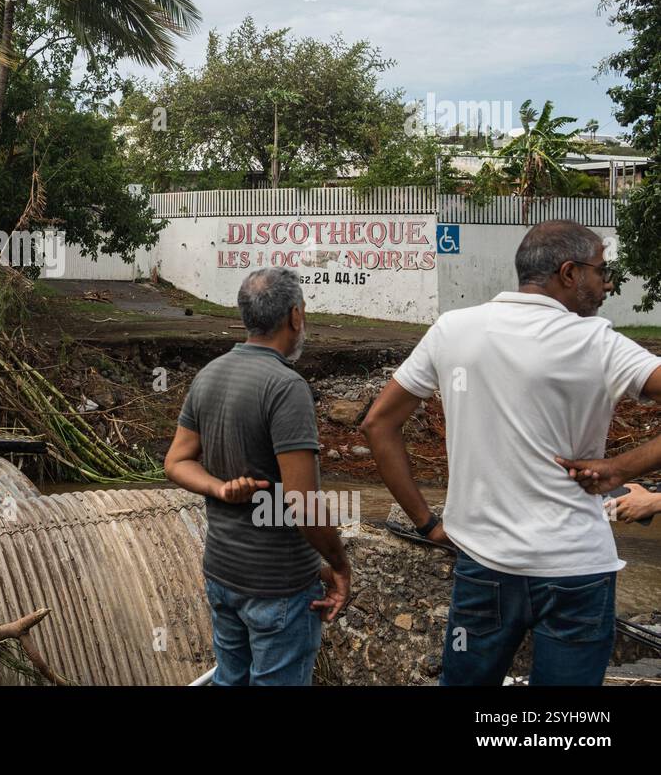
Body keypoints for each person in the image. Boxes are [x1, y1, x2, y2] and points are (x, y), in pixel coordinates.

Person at [361, 220, 661, 686]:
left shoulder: (452, 330)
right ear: (568, 273)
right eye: (602, 271)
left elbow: (378, 424)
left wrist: (427, 523)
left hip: (484, 568)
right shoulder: (598, 343)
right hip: (577, 573)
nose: (607, 284)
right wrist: (619, 468)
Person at [165, 267, 351, 686]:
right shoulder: (287, 387)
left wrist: (219, 488)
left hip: (222, 576)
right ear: (295, 316)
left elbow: (176, 461)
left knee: (230, 680)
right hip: (278, 588)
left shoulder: (208, 375)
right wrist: (339, 565)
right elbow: (303, 505)